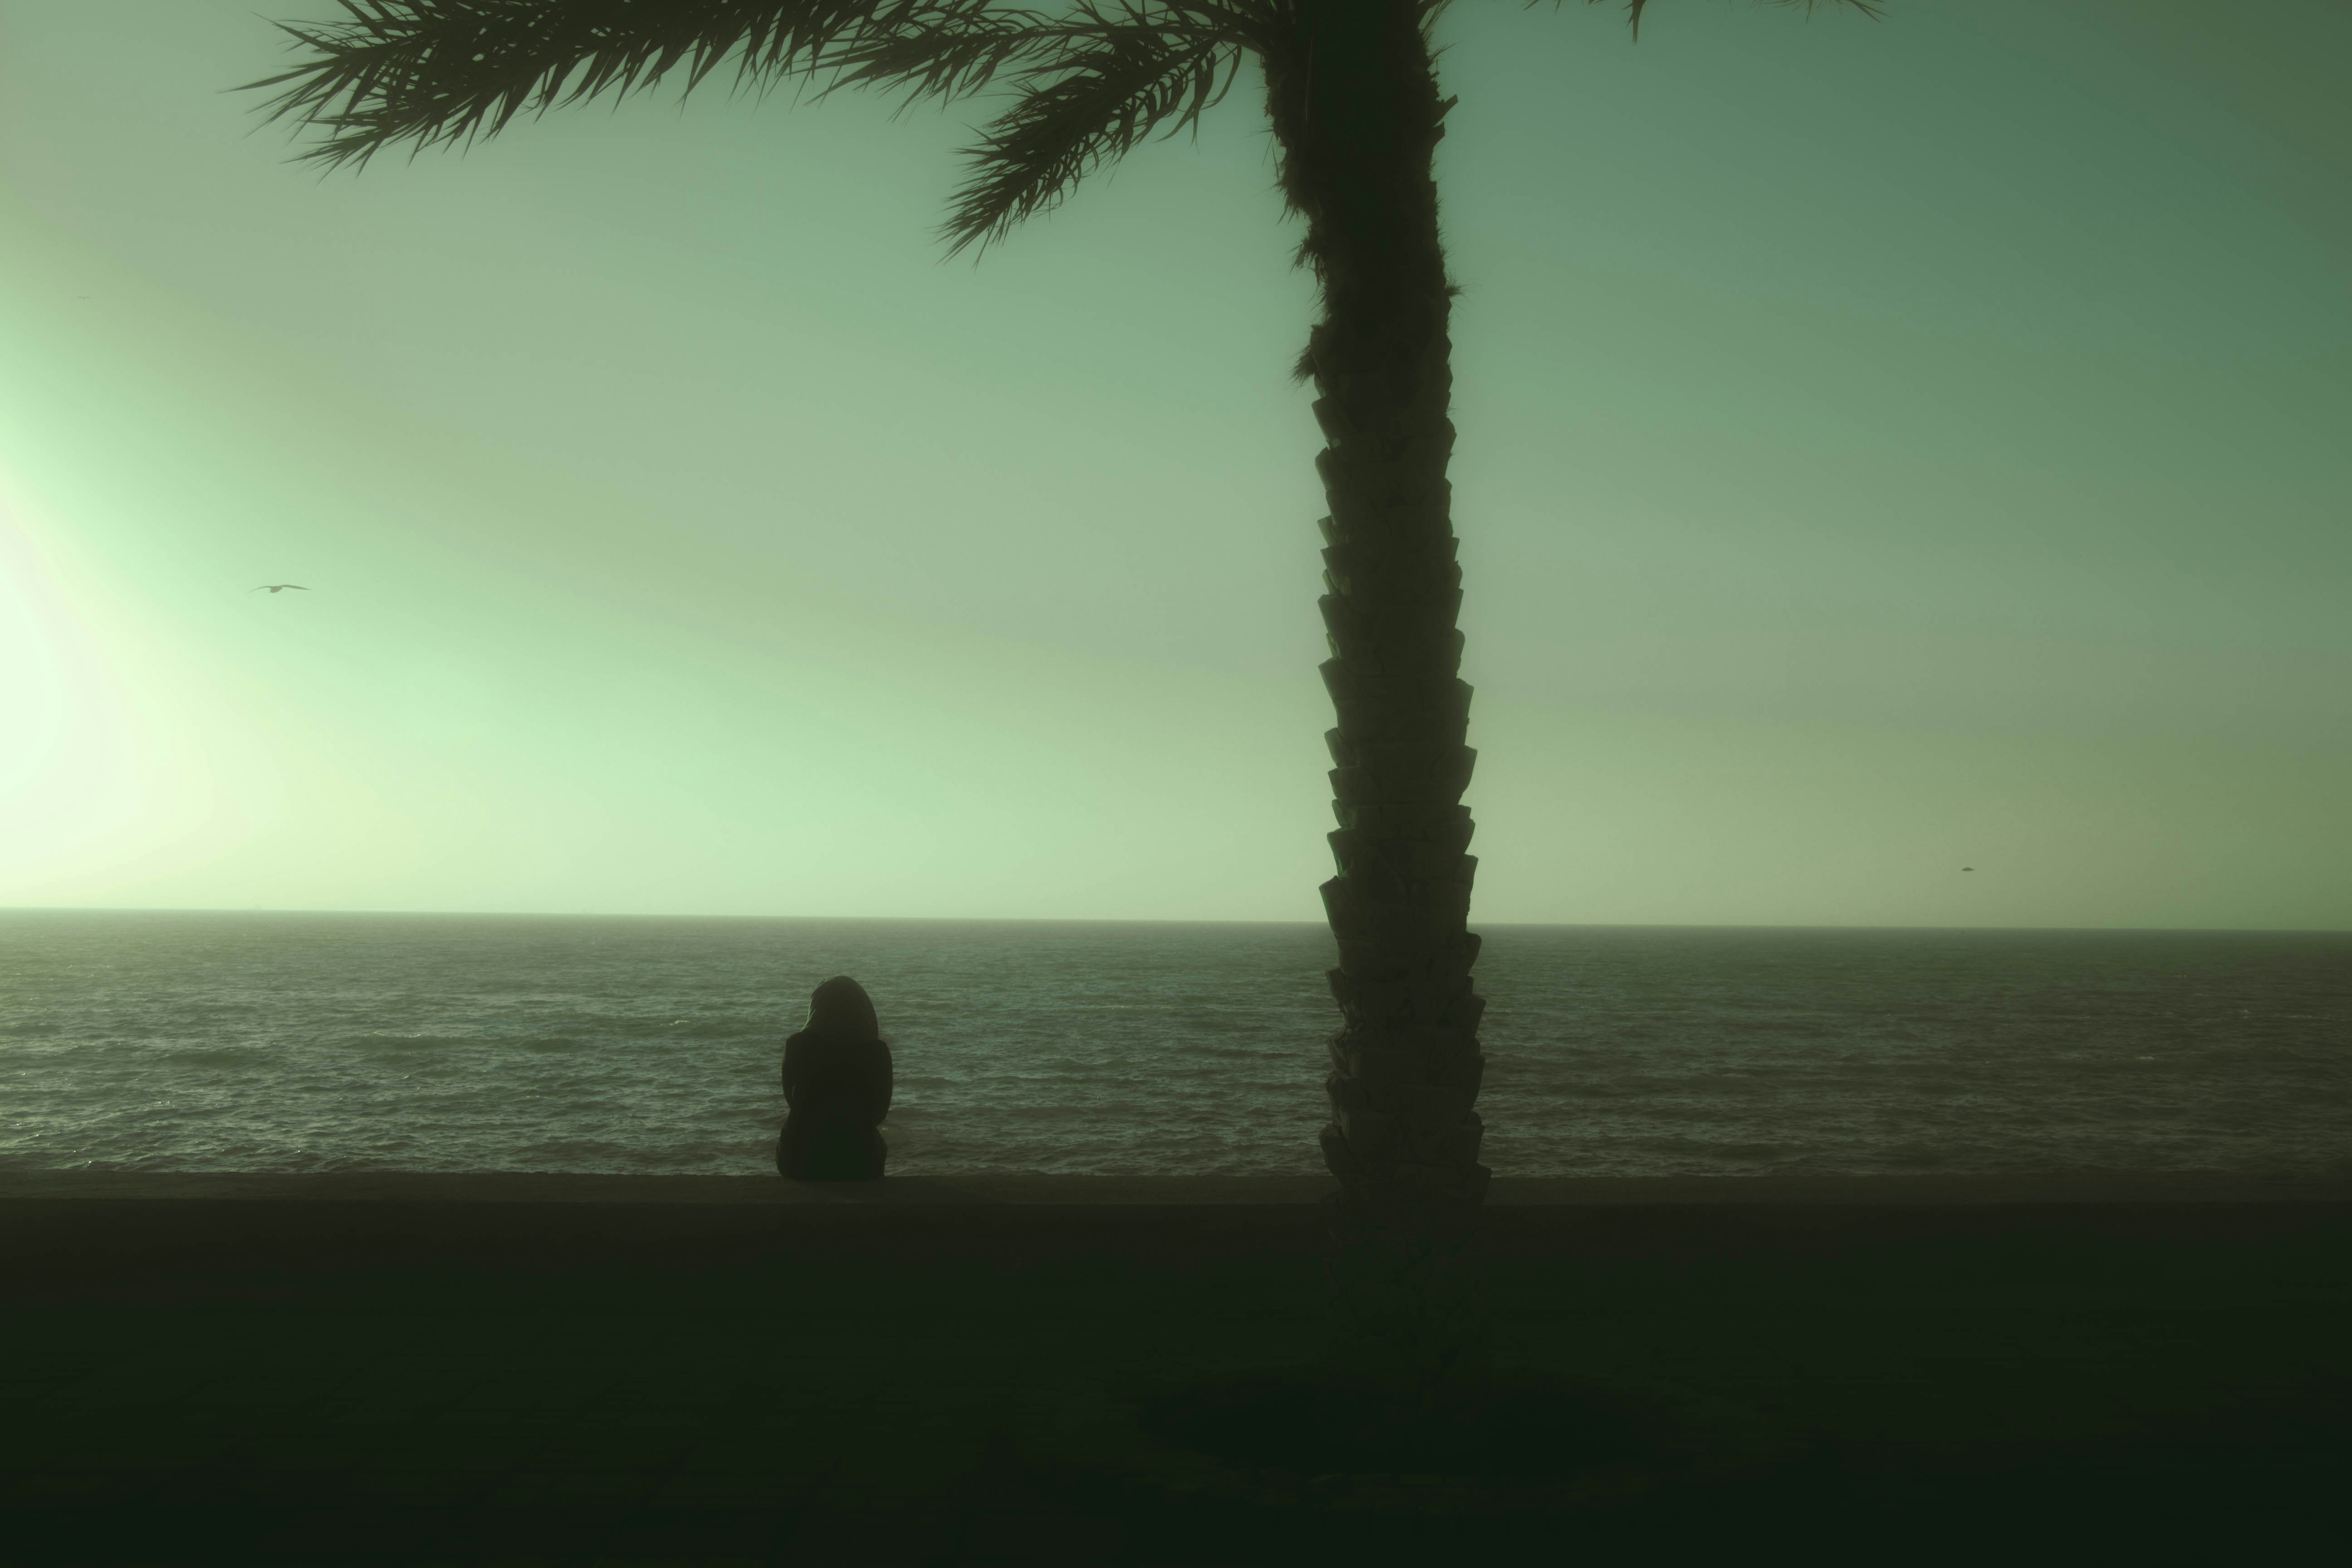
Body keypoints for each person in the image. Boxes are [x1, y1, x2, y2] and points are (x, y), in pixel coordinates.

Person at [776, 975, 893, 1181]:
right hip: (861, 1159)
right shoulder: (877, 1052)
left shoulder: (797, 1045)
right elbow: (879, 1112)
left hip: (798, 1158)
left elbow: (792, 1102)